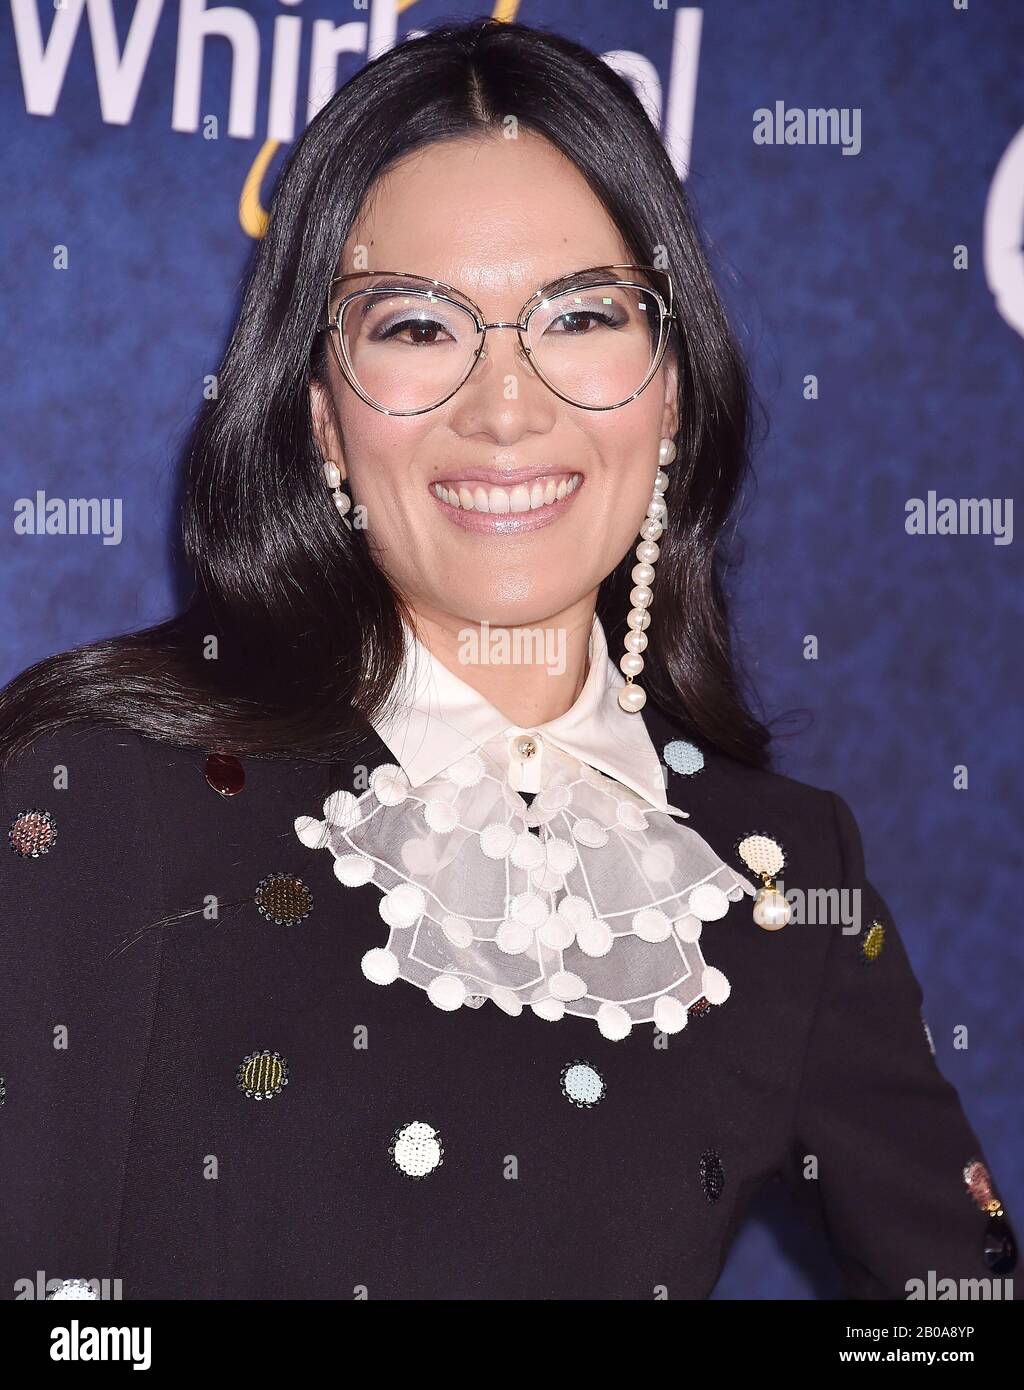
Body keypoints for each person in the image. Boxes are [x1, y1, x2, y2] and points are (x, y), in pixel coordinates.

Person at [0, 17, 1016, 1301]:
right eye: (421, 327)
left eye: (580, 316)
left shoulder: (779, 881)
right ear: (323, 414)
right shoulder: (103, 799)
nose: (505, 404)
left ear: (672, 391)